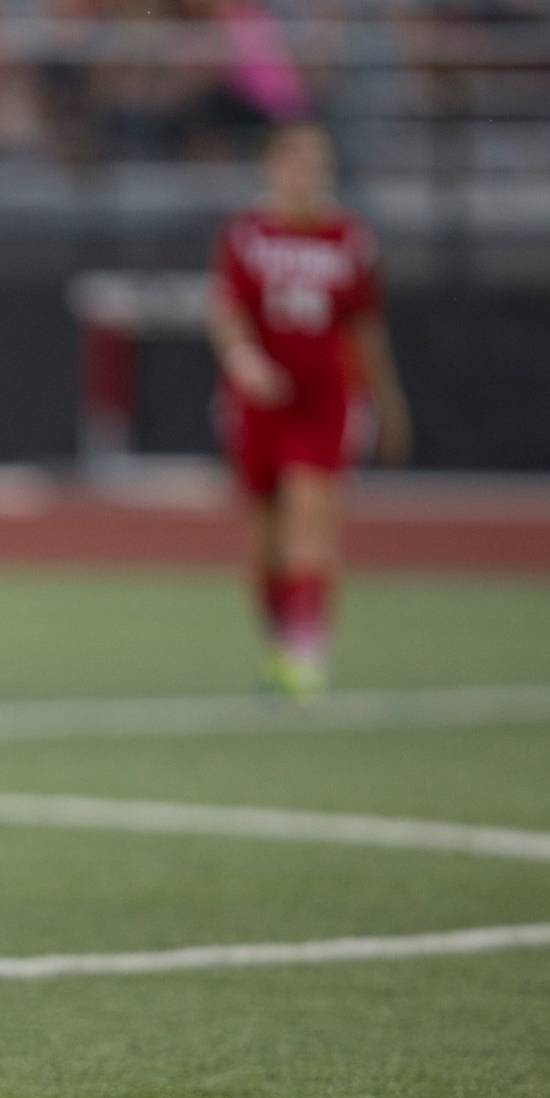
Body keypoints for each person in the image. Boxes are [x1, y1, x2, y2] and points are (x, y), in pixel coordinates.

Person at [205, 123, 409, 697]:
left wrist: (387, 400)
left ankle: (307, 654)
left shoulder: (350, 240)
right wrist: (247, 364)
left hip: (324, 400)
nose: (303, 174)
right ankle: (279, 646)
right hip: (258, 404)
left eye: (314, 162)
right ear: (270, 168)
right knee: (264, 546)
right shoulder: (247, 235)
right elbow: (226, 311)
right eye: (291, 161)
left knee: (309, 518)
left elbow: (365, 326)